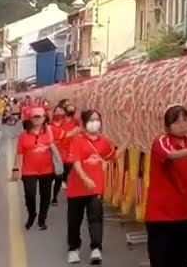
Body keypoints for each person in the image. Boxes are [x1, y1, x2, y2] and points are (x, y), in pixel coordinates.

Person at [145, 105, 187, 267]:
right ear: (167, 126)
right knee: (162, 261)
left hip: (184, 214)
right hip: (161, 216)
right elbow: (172, 155)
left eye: (186, 120)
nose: (183, 125)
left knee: (182, 260)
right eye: (177, 122)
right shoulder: (161, 142)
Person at [66, 109, 117, 265]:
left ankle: (96, 248)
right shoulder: (77, 140)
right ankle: (73, 248)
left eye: (97, 119)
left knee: (95, 217)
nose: (95, 123)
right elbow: (76, 162)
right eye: (91, 120)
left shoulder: (104, 141)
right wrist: (85, 178)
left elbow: (112, 156)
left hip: (95, 187)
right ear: (84, 123)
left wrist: (128, 139)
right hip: (77, 188)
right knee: (75, 220)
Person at [11, 105, 57, 230]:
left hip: (47, 170)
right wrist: (16, 169)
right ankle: (32, 214)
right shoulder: (23, 135)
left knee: (45, 196)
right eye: (34, 117)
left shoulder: (50, 131)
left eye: (39, 116)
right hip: (28, 171)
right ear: (29, 119)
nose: (37, 119)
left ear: (44, 118)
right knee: (30, 195)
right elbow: (19, 154)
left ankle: (42, 220)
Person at [51, 102, 82, 205]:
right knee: (58, 176)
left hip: (71, 150)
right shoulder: (58, 122)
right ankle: (54, 197)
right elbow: (59, 134)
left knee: (68, 174)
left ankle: (71, 195)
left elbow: (81, 130)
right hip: (59, 151)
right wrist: (73, 132)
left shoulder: (76, 121)